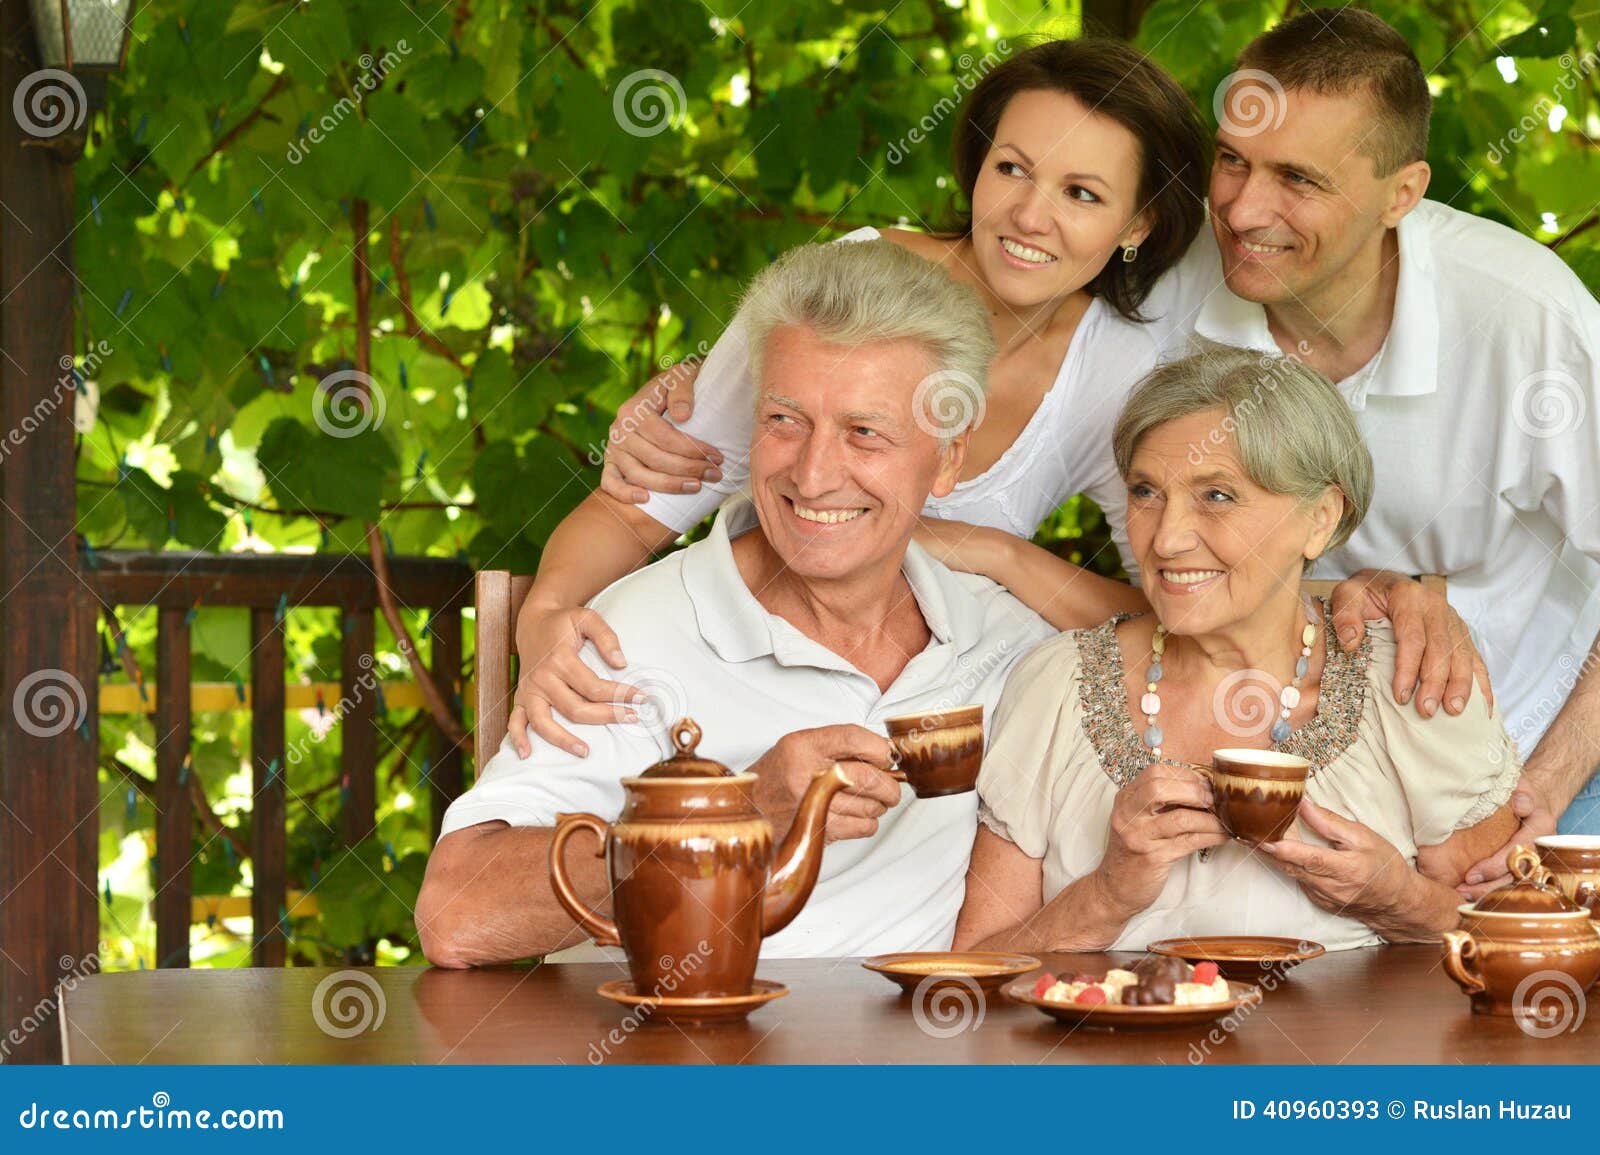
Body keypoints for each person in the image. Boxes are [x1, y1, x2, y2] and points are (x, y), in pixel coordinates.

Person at [507, 35, 1478, 765]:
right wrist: (545, 610)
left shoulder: (1115, 369)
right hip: (748, 682)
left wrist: (996, 554)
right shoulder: (836, 293)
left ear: (1138, 225)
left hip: (935, 729)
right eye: (1012, 169)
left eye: (1081, 194)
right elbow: (634, 507)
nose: (1028, 215)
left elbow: (1168, 602)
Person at [415, 240, 1055, 966]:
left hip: (920, 1040)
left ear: (947, 458)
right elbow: (457, 915)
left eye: (864, 433)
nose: (813, 475)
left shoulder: (1008, 643)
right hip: (667, 1038)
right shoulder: (633, 635)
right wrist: (743, 815)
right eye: (784, 420)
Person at [1140, 7, 1600, 881]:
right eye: (1232, 159)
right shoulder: (1172, 289)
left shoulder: (1525, 318)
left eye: (1297, 178)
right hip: (1306, 769)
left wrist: (1545, 787)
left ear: (1402, 193)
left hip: (1541, 746)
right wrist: (1361, 592)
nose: (1241, 208)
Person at [953, 348, 1519, 953]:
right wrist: (1107, 895)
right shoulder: (1056, 686)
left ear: (1320, 519)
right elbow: (967, 972)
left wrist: (1403, 902)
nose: (1167, 539)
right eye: (1145, 492)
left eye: (1217, 496)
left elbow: (1519, 942)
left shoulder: (1410, 677)